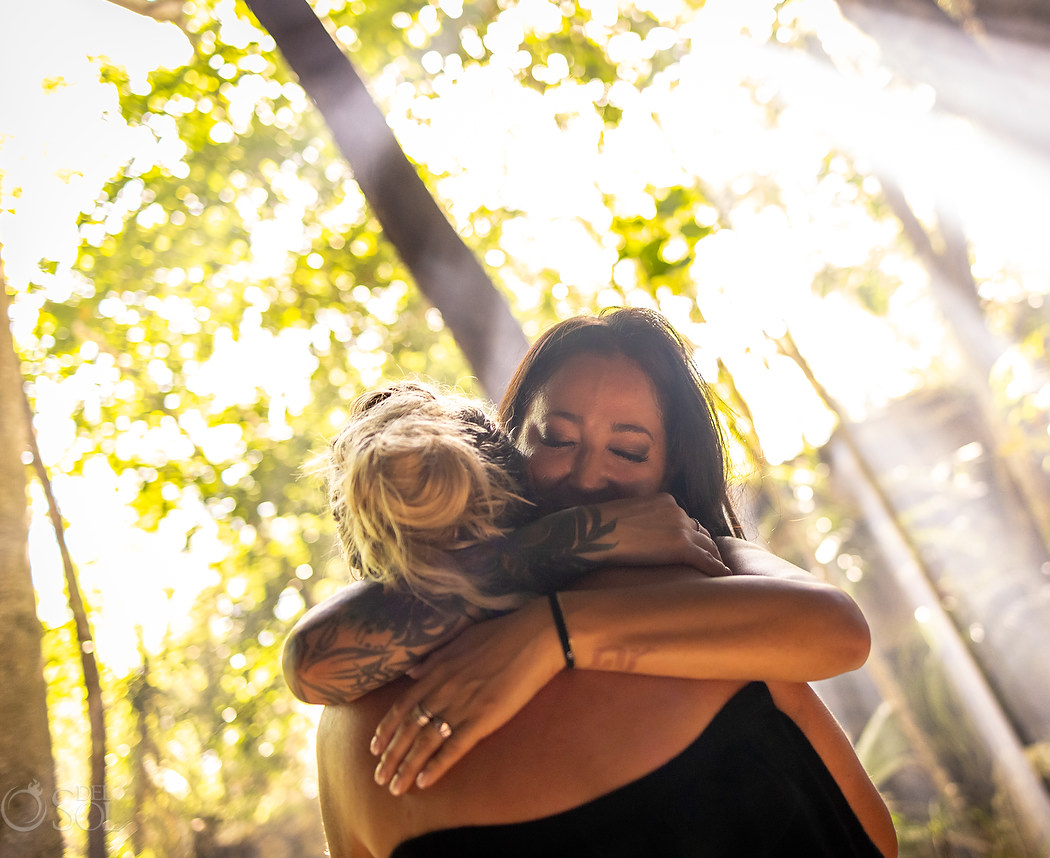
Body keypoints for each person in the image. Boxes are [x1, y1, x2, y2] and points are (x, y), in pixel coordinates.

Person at [289, 308, 897, 857]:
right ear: (507, 444)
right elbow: (310, 662)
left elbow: (839, 630)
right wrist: (580, 543)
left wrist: (555, 632)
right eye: (557, 439)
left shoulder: (714, 568)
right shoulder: (714, 610)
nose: (587, 477)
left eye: (629, 451)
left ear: (670, 468)